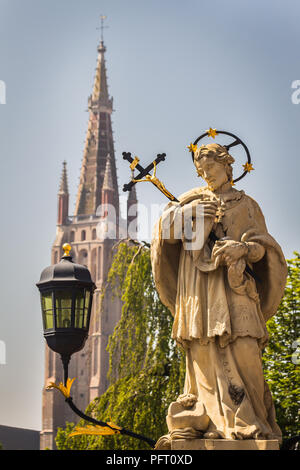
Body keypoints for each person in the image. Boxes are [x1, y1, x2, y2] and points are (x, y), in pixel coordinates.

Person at [151, 143, 287, 442]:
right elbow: (163, 236)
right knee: (203, 352)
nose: (205, 175)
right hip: (199, 291)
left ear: (227, 165)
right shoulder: (191, 199)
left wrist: (244, 248)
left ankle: (254, 422)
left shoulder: (247, 204)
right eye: (200, 171)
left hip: (236, 287)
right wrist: (188, 214)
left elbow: (265, 247)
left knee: (247, 351)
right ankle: (212, 422)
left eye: (209, 168)